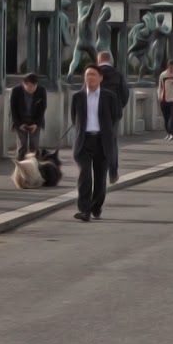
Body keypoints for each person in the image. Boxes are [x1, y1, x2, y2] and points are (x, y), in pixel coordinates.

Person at [71, 65, 121, 222]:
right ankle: (84, 210)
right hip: (84, 141)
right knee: (84, 176)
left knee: (100, 179)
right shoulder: (77, 97)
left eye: (93, 74)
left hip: (102, 141)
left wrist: (106, 130)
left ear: (100, 78)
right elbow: (75, 118)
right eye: (87, 75)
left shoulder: (109, 97)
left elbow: (116, 115)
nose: (90, 78)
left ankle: (96, 207)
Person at [9, 72, 48, 157]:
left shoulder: (41, 91)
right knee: (22, 146)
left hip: (35, 121)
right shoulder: (16, 91)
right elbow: (13, 109)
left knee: (34, 145)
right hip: (20, 120)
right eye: (30, 86)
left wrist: (36, 124)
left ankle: (34, 166)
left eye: (34, 86)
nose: (32, 88)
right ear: (24, 84)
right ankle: (21, 165)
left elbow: (42, 108)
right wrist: (19, 124)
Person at [97, 50, 130, 139]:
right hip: (113, 112)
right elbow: (125, 94)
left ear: (99, 60)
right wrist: (118, 106)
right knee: (112, 139)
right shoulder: (118, 75)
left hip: (96, 110)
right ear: (110, 61)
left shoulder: (93, 74)